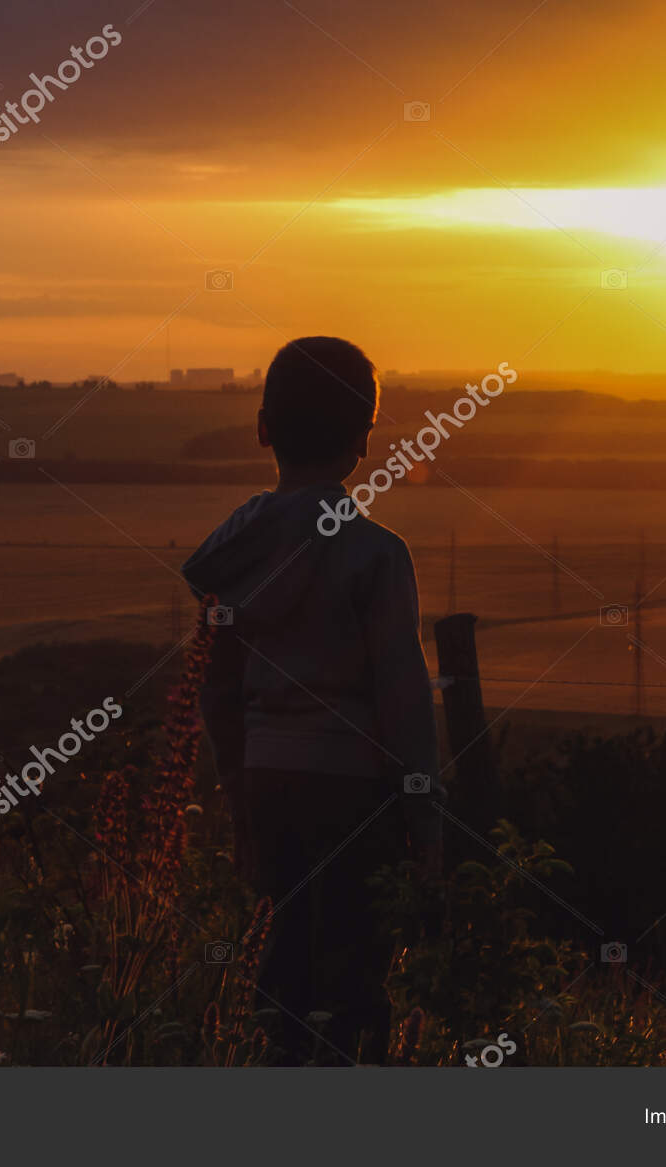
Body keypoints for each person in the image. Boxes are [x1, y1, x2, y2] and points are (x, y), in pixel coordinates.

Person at [181, 336, 441, 1065]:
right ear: (365, 438)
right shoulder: (378, 557)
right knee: (356, 973)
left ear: (264, 428)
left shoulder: (230, 558)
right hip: (358, 792)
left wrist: (237, 791)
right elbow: (403, 699)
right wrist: (424, 817)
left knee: (282, 963)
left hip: (266, 780)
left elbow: (218, 688)